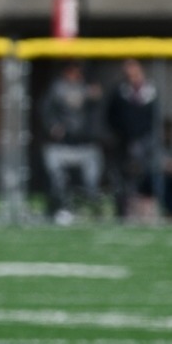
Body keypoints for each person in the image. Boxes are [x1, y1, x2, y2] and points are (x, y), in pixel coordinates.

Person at [39, 61, 103, 223]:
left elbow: (95, 112)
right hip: (62, 144)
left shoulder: (86, 87)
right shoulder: (57, 88)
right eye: (73, 70)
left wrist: (95, 99)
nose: (76, 73)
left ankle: (91, 210)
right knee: (57, 178)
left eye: (78, 70)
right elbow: (45, 110)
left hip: (84, 144)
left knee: (91, 180)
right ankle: (60, 208)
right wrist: (53, 127)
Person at [104, 59, 159, 221]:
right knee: (123, 179)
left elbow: (155, 118)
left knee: (145, 176)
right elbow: (110, 116)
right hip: (124, 142)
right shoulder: (120, 91)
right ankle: (124, 211)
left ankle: (146, 213)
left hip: (145, 141)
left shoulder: (150, 92)